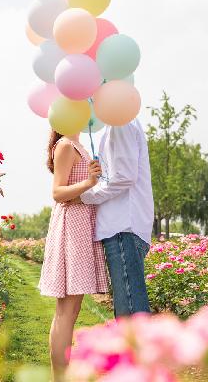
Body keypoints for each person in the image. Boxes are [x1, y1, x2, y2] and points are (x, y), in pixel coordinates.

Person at [38, 129, 109, 380]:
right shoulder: (66, 145)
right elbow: (58, 192)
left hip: (81, 226)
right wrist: (89, 182)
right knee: (66, 311)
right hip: (72, 227)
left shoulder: (79, 145)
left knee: (73, 309)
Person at [80, 118, 155, 317]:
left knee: (129, 314)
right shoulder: (118, 124)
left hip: (123, 226)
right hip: (122, 227)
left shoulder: (120, 122)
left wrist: (85, 196)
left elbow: (124, 176)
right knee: (128, 310)